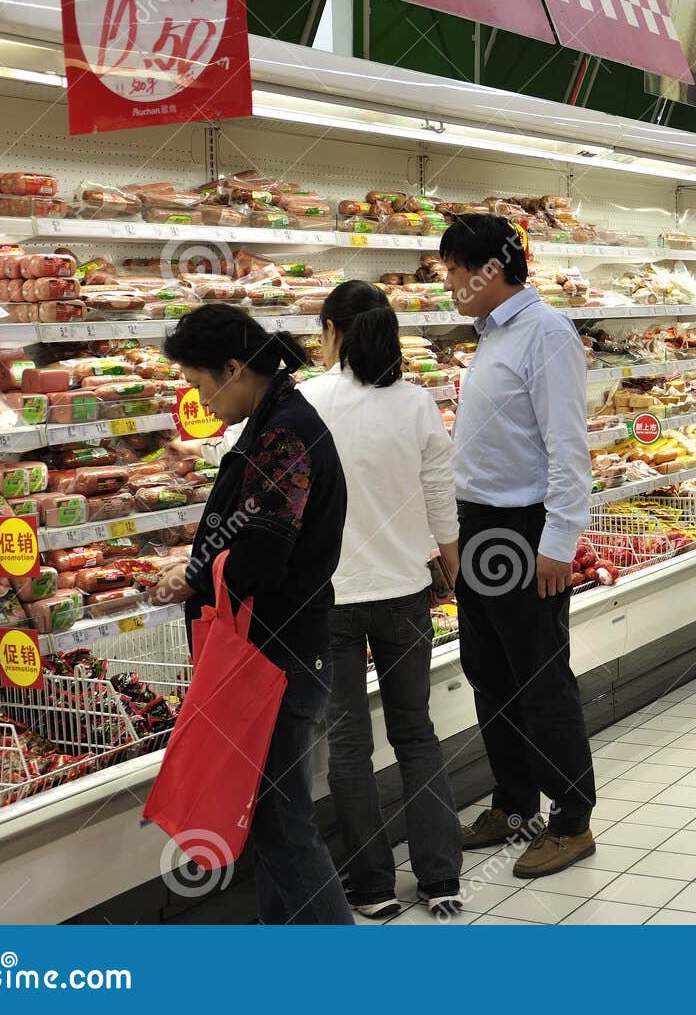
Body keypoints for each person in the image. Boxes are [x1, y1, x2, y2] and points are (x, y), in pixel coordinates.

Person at [153, 304, 351, 925]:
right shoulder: (278, 421)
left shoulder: (286, 434)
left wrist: (192, 578)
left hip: (275, 653)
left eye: (196, 379)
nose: (197, 396)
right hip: (282, 645)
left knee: (281, 821)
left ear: (234, 369)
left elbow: (263, 555)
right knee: (266, 820)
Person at [299, 281, 465, 920]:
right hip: (405, 592)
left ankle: (370, 888)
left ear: (333, 332)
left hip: (330, 599)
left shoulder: (306, 403)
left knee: (348, 744)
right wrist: (449, 561)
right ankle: (440, 879)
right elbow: (439, 492)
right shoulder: (416, 403)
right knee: (415, 732)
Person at [440, 214, 597, 879]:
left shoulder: (546, 334)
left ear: (489, 271)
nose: (445, 281)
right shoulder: (493, 335)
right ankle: (512, 802)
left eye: (450, 268)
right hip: (477, 524)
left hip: (524, 528)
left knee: (540, 678)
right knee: (489, 672)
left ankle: (572, 820)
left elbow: (568, 445)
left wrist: (559, 540)